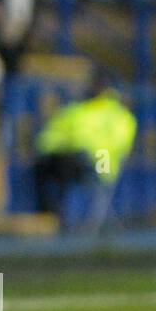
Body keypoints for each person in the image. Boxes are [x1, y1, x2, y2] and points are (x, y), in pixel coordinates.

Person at [33, 74, 136, 233]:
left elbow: (119, 143)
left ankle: (94, 224)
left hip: (103, 158)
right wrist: (55, 148)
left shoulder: (116, 113)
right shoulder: (78, 109)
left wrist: (94, 153)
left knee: (100, 181)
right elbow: (53, 134)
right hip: (76, 156)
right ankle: (56, 219)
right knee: (50, 167)